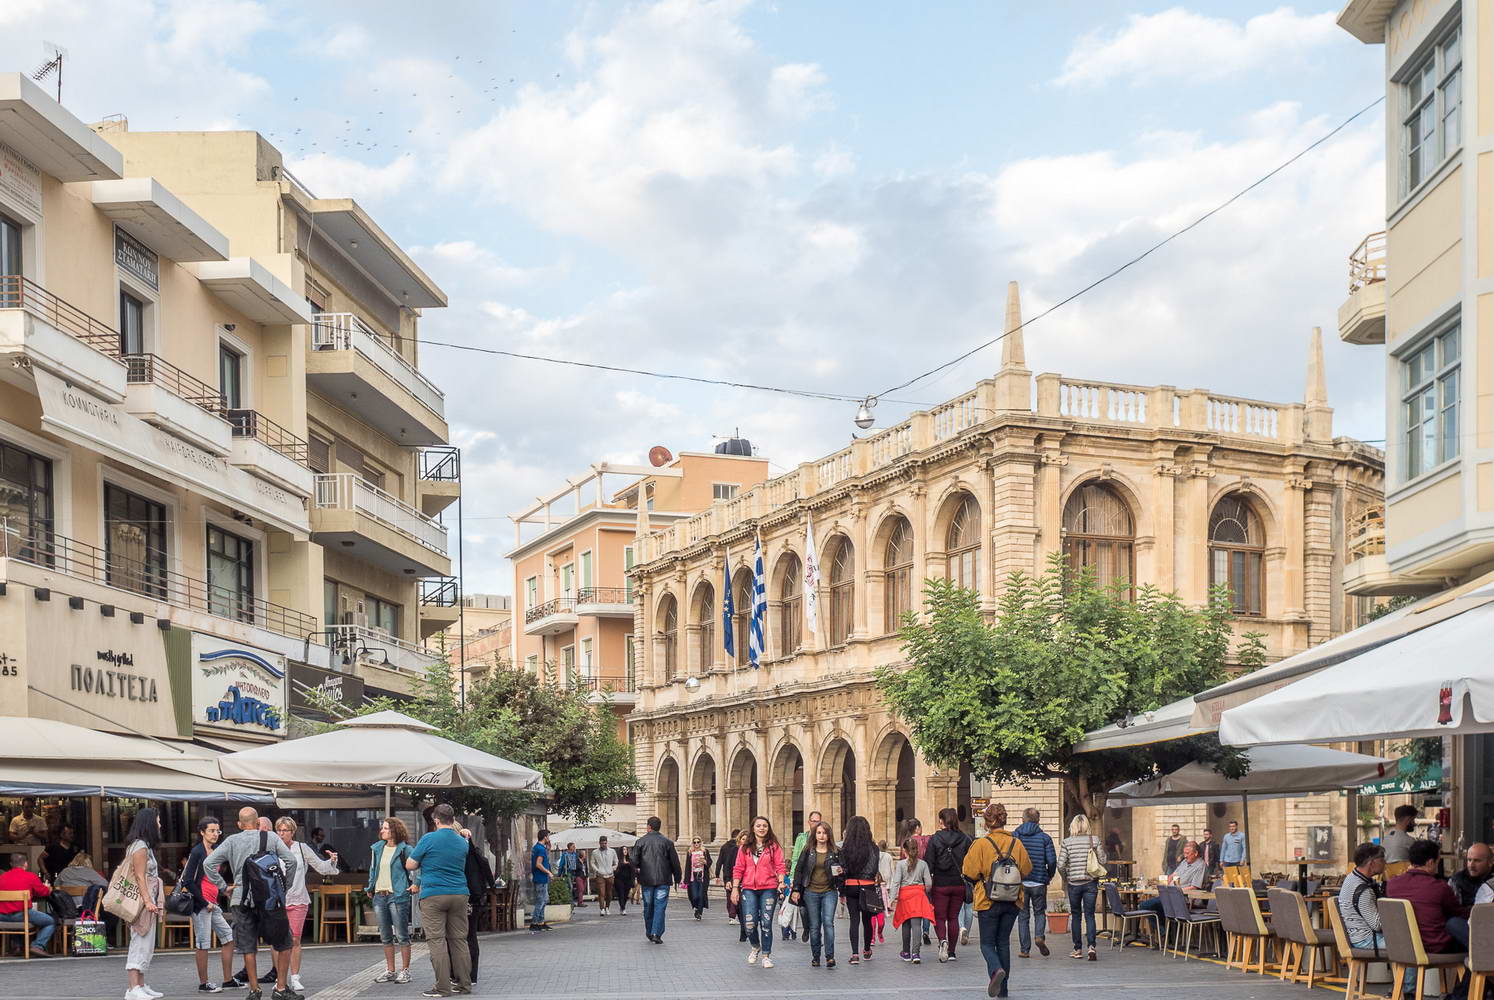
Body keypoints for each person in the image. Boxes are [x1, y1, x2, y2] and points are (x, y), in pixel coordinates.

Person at [201, 806, 301, 1000]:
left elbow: (208, 864)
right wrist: (283, 889)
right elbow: (291, 861)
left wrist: (224, 887)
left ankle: (254, 990)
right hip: (270, 900)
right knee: (285, 942)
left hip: (241, 899)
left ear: (239, 824)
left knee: (248, 946)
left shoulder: (231, 841)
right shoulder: (270, 837)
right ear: (257, 823)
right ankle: (280, 988)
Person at [962, 803, 1033, 999]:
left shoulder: (981, 844)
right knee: (1003, 943)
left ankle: (995, 971)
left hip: (988, 899)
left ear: (986, 823)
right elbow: (1027, 869)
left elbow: (968, 871)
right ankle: (1004, 990)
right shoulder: (1016, 844)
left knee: (987, 944)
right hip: (1012, 900)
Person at [404, 803, 472, 999]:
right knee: (459, 940)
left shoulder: (429, 838)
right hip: (459, 893)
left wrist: (424, 860)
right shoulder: (462, 842)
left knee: (437, 941)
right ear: (453, 819)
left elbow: (410, 864)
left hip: (434, 894)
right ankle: (465, 985)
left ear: (436, 820)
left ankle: (443, 988)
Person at [275, 817, 339, 994]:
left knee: (294, 939)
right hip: (277, 901)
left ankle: (295, 977)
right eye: (279, 830)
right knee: (278, 941)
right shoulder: (271, 849)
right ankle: (279, 979)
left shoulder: (302, 848)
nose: (281, 834)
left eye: (285, 830)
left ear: (292, 832)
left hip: (298, 899)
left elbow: (321, 867)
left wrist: (332, 861)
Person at [1386, 838, 1469, 954]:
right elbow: (1458, 914)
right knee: (1463, 932)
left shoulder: (1392, 884)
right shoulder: (1439, 887)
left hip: (1404, 946)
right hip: (1435, 946)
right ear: (1430, 862)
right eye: (1438, 862)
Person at [183, 816, 235, 993]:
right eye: (211, 831)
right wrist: (204, 902)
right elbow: (187, 880)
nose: (215, 834)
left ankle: (228, 980)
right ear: (202, 832)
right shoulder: (197, 852)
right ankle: (203, 983)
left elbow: (211, 877)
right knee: (203, 943)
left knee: (228, 937)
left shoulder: (215, 851)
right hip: (201, 904)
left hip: (212, 903)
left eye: (217, 831)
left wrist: (224, 889)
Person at [731, 815, 786, 969]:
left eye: (765, 826)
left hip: (768, 887)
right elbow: (738, 868)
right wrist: (735, 888)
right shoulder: (745, 848)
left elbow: (780, 865)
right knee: (749, 924)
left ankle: (766, 955)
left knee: (766, 923)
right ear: (753, 828)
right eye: (758, 826)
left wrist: (781, 882)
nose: (762, 828)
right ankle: (755, 946)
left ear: (768, 829)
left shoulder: (773, 846)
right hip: (748, 888)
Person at [122, 808, 165, 1000]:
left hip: (147, 899)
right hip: (142, 901)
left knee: (145, 941)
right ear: (149, 823)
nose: (160, 824)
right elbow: (139, 876)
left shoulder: (142, 845)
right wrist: (148, 901)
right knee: (139, 940)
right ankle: (133, 988)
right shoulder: (140, 846)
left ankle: (140, 984)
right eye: (157, 821)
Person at [366, 817, 416, 984]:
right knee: (385, 935)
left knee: (402, 935)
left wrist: (417, 884)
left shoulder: (405, 849)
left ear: (395, 830)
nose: (382, 831)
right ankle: (390, 970)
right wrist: (370, 887)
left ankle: (406, 971)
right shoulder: (378, 848)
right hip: (379, 895)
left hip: (398, 896)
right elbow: (373, 869)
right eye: (383, 828)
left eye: (386, 828)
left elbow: (420, 866)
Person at [790, 819, 841, 968]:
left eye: (824, 833)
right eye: (819, 833)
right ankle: (816, 956)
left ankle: (830, 956)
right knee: (814, 926)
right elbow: (799, 870)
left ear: (829, 835)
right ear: (815, 834)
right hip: (810, 891)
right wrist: (796, 890)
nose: (822, 836)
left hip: (829, 891)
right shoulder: (808, 850)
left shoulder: (836, 852)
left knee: (828, 923)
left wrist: (841, 873)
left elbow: (843, 870)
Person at [1054, 814, 1102, 961]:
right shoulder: (1094, 840)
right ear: (1087, 825)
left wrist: (1066, 877)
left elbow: (1060, 864)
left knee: (1076, 915)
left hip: (1074, 884)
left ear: (1073, 826)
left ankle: (1077, 949)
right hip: (1090, 882)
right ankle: (1092, 947)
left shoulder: (1067, 842)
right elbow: (1104, 859)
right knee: (1090, 915)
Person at [927, 807, 972, 963]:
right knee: (953, 917)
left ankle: (942, 941)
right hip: (958, 883)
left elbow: (929, 863)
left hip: (940, 883)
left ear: (942, 821)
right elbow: (969, 862)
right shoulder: (965, 839)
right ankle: (952, 952)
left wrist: (928, 882)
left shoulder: (935, 839)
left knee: (939, 917)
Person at [1138, 841, 1207, 935]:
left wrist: (1173, 891)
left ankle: (1164, 933)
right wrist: (1164, 885)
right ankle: (1166, 932)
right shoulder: (1184, 862)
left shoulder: (1200, 865)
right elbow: (1173, 875)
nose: (1185, 856)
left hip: (1181, 898)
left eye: (1187, 854)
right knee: (1146, 906)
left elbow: (1194, 887)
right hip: (1170, 894)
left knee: (1146, 906)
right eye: (1184, 853)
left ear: (1195, 853)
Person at [1012, 808, 1055, 959]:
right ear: (1038, 821)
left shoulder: (1015, 836)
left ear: (1022, 819)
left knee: (1023, 916)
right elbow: (1051, 861)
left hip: (1020, 882)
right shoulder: (1045, 838)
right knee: (1039, 912)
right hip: (1039, 882)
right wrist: (1048, 876)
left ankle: (1025, 950)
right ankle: (1039, 937)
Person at [839, 815, 882, 964]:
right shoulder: (874, 848)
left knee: (854, 920)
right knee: (867, 920)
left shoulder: (845, 848)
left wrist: (841, 891)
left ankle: (855, 954)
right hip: (867, 885)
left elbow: (842, 870)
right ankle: (867, 949)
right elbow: (875, 867)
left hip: (851, 885)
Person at [634, 815, 681, 944]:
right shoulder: (667, 842)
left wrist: (638, 871)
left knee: (648, 906)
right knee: (660, 906)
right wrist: (678, 878)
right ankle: (656, 933)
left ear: (648, 826)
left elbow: (634, 860)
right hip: (663, 880)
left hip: (647, 880)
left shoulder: (640, 842)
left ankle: (650, 931)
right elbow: (675, 862)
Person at [457, 828, 493, 985]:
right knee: (471, 936)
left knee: (457, 936)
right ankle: (472, 975)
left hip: (463, 897)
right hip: (475, 898)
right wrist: (490, 886)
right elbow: (486, 869)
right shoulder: (476, 854)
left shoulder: (461, 856)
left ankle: (457, 973)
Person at [890, 837, 935, 964]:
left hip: (905, 895)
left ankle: (906, 952)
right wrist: (924, 891)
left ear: (905, 850)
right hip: (918, 895)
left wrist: (891, 899)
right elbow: (929, 883)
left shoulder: (900, 864)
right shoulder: (923, 864)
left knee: (906, 924)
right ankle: (916, 953)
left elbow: (896, 882)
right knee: (917, 925)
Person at [0, 853, 54, 957]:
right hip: (21, 914)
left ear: (11, 864)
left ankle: (17, 946)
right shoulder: (30, 876)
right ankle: (37, 946)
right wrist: (47, 888)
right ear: (25, 864)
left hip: (2, 916)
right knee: (50, 921)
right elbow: (44, 893)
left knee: (18, 916)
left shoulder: (1, 877)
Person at [1338, 842, 1387, 951]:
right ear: (1372, 863)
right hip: (1366, 940)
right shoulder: (1363, 890)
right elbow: (1377, 925)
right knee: (1409, 945)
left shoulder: (1351, 877)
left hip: (1357, 936)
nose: (1385, 862)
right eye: (1382, 859)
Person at [1450, 842, 1493, 907]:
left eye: (1477, 861)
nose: (1471, 865)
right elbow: (1453, 909)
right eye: (1469, 860)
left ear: (1490, 862)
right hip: (1464, 916)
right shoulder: (1457, 880)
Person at [716, 828, 741, 925]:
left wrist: (717, 874)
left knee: (729, 896)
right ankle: (733, 915)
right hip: (735, 874)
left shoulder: (724, 846)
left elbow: (720, 861)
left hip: (726, 874)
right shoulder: (736, 848)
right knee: (735, 895)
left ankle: (731, 915)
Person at [529, 829, 552, 933]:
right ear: (545, 837)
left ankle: (541, 922)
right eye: (548, 836)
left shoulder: (536, 848)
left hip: (540, 878)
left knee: (544, 900)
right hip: (541, 878)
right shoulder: (541, 849)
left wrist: (549, 849)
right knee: (541, 901)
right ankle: (534, 922)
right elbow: (538, 864)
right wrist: (548, 872)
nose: (549, 838)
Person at [590, 835, 619, 915]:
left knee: (609, 893)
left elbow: (616, 861)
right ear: (599, 843)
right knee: (601, 893)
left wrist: (614, 867)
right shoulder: (595, 852)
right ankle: (602, 908)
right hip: (600, 875)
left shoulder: (612, 851)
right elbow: (592, 862)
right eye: (602, 843)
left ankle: (607, 907)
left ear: (607, 843)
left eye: (605, 843)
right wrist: (597, 869)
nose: (604, 845)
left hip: (610, 874)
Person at [684, 836, 711, 920]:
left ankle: (699, 912)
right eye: (694, 842)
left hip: (702, 876)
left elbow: (709, 862)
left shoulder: (705, 852)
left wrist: (704, 862)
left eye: (698, 842)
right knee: (694, 895)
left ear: (700, 842)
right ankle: (695, 907)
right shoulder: (690, 852)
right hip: (693, 876)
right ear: (692, 843)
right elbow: (687, 866)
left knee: (701, 895)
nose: (696, 844)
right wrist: (685, 879)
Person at [613, 847, 635, 916]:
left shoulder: (630, 860)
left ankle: (622, 906)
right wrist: (623, 864)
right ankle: (623, 908)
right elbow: (616, 869)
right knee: (621, 894)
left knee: (626, 895)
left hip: (628, 880)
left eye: (626, 850)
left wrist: (633, 881)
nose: (625, 851)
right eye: (623, 850)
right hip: (619, 879)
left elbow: (633, 871)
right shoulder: (618, 860)